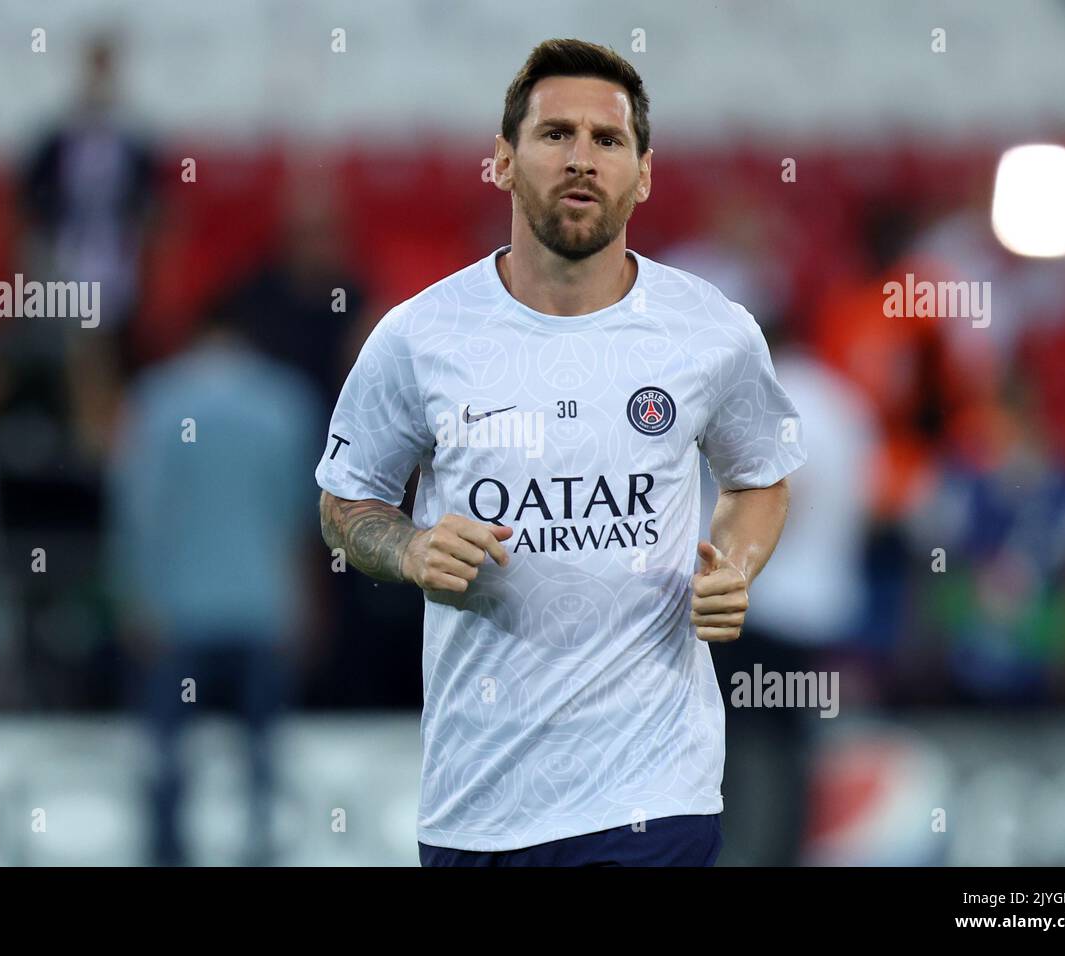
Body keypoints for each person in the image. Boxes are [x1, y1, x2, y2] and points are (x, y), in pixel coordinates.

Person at [315, 39, 806, 867]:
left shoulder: (712, 332)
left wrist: (736, 566)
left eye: (608, 141)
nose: (582, 159)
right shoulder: (418, 337)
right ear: (503, 161)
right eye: (555, 135)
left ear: (644, 174)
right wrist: (411, 546)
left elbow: (761, 477)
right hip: (480, 805)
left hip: (656, 797)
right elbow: (345, 502)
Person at [108, 304, 322, 866]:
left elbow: (137, 511)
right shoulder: (285, 402)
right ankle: (262, 851)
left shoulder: (157, 401)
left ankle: (166, 856)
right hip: (263, 609)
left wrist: (137, 599)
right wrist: (302, 604)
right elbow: (301, 518)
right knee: (262, 757)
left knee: (167, 755)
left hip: (178, 613)